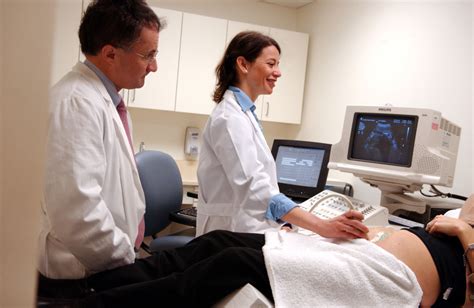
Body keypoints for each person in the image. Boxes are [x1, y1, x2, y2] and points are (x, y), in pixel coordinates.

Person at [37, 1, 273, 306]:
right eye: (148, 55)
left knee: (217, 246)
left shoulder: (103, 100)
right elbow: (77, 213)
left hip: (108, 259)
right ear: (110, 53)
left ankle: (282, 255)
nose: (154, 66)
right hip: (88, 276)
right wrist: (128, 260)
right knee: (223, 267)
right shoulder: (75, 103)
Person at [196, 31, 368, 239]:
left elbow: (260, 189)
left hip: (245, 227)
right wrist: (321, 226)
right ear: (243, 65)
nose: (278, 72)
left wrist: (283, 222)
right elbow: (255, 188)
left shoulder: (243, 114)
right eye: (271, 64)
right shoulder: (229, 118)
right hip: (231, 232)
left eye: (278, 64)